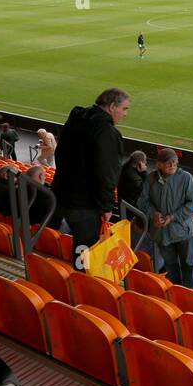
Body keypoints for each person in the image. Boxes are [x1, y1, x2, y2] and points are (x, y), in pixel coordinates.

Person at [50, 87, 130, 266]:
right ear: (111, 107)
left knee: (80, 244)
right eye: (124, 108)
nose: (125, 114)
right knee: (85, 249)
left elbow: (60, 153)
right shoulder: (106, 132)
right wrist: (107, 206)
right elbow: (106, 173)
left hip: (61, 193)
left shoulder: (77, 119)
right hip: (83, 203)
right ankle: (82, 283)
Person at [138, 148, 193, 285]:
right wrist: (154, 214)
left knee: (188, 265)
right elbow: (142, 201)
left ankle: (191, 294)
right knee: (171, 267)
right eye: (168, 162)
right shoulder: (151, 179)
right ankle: (176, 294)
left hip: (182, 232)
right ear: (159, 164)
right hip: (162, 234)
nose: (172, 165)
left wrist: (172, 217)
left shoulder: (186, 178)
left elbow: (192, 203)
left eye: (174, 162)